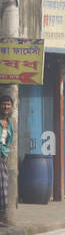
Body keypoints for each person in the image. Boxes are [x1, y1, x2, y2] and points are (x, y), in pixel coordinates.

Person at [0, 92, 14, 227]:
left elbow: (9, 140)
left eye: (8, 104)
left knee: (3, 188)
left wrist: (5, 152)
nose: (6, 106)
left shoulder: (9, 123)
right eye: (4, 104)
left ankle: (2, 219)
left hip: (2, 157)